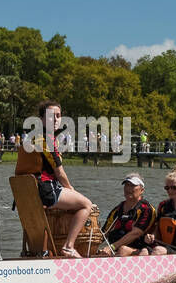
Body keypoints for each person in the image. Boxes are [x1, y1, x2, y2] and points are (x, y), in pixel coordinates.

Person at [14, 100, 93, 258]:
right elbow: (60, 173)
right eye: (51, 116)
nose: (56, 119)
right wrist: (71, 189)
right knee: (86, 205)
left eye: (58, 116)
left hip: (24, 193)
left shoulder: (31, 137)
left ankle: (35, 251)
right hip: (44, 190)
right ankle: (69, 247)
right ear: (41, 119)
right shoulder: (46, 140)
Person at [100, 174, 154, 256]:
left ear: (142, 190)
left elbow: (136, 233)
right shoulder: (117, 209)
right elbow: (104, 232)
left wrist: (112, 247)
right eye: (127, 185)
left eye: (133, 185)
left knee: (123, 250)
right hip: (114, 249)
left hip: (139, 249)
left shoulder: (147, 209)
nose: (128, 188)